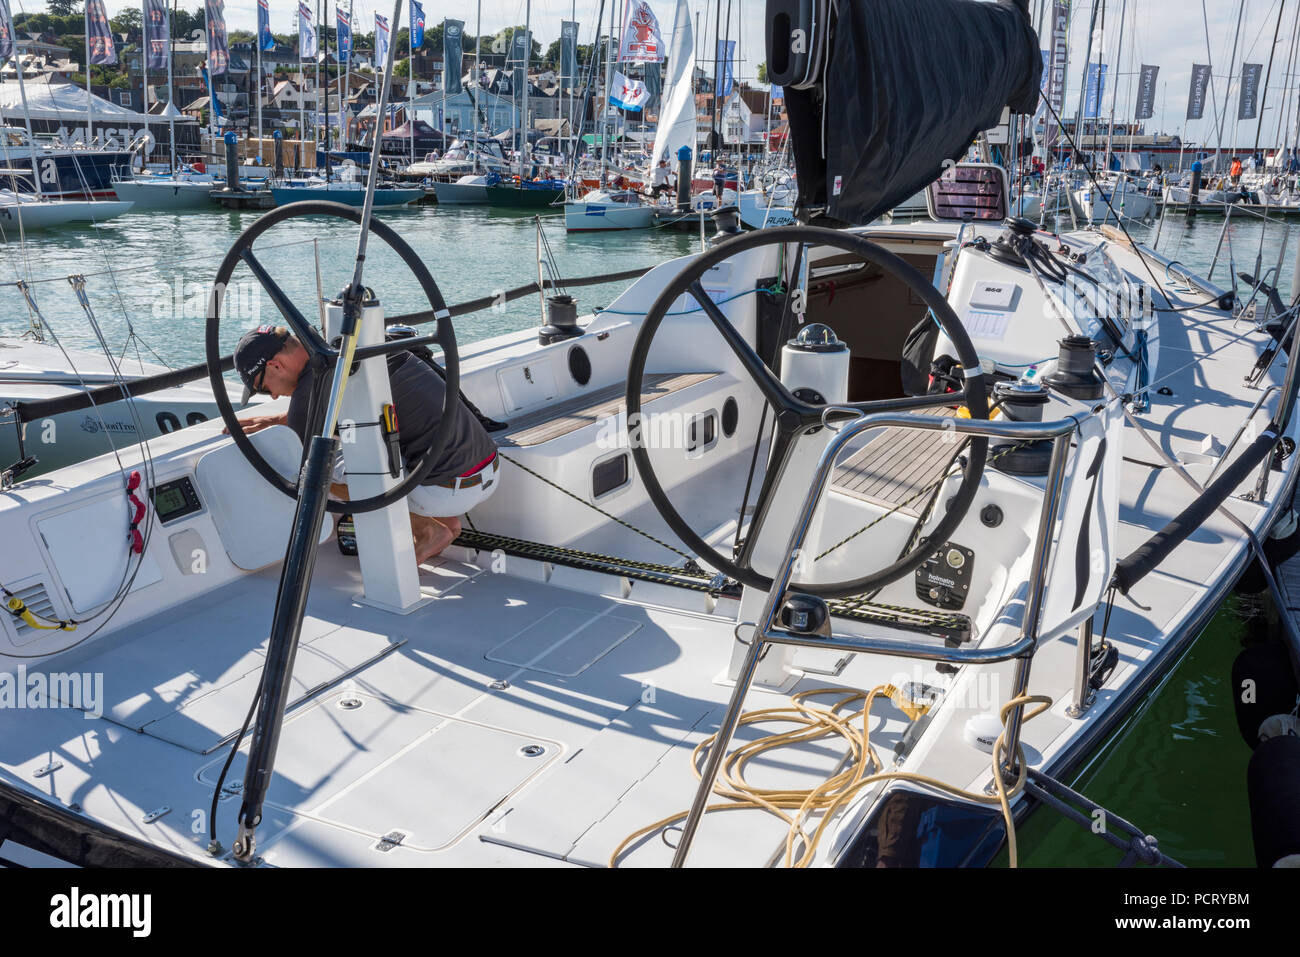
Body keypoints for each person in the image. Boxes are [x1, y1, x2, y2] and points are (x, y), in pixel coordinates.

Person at [229, 325, 500, 564]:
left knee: (318, 478)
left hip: (443, 492)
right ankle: (445, 521)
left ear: (276, 366)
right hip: (487, 470)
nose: (274, 395)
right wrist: (280, 419)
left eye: (264, 387)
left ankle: (426, 529)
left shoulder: (307, 398)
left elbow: (313, 460)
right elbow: (341, 399)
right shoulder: (357, 347)